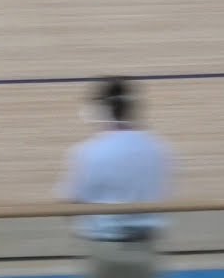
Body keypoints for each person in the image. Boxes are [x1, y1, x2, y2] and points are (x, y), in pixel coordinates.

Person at [56, 76, 176, 278]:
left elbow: (70, 201)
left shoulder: (89, 152)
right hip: (146, 245)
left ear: (101, 109)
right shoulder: (159, 148)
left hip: (106, 246)